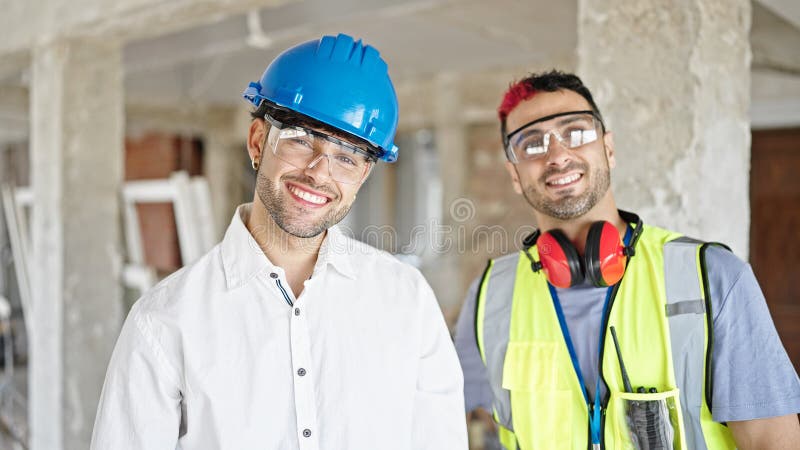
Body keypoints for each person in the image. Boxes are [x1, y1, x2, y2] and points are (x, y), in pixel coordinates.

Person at [92, 33, 467, 449]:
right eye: (301, 139)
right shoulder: (165, 321)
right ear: (257, 142)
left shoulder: (407, 301)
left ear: (363, 176)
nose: (319, 172)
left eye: (346, 157)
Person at [454, 70, 800, 449]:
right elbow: (456, 426)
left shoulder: (711, 276)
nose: (557, 154)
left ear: (609, 148)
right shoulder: (491, 296)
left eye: (576, 132)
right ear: (515, 175)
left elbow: (773, 441)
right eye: (531, 144)